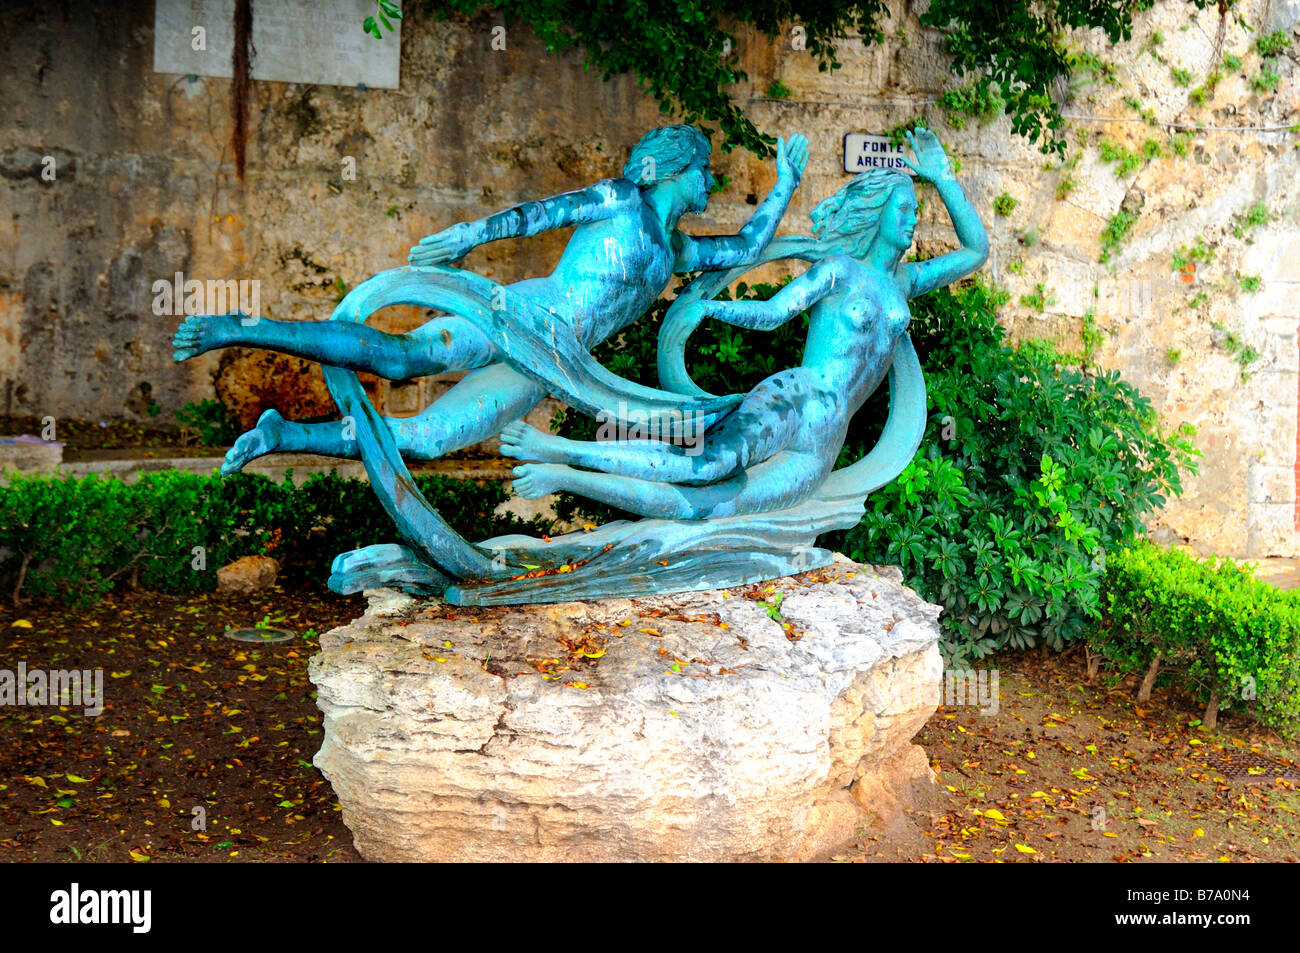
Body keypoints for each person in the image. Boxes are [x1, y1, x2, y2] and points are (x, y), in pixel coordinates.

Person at [171, 126, 809, 474]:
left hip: (559, 361)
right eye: (705, 171)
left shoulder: (677, 252)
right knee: (402, 356)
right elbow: (542, 214)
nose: (711, 182)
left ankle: (285, 436)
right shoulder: (622, 199)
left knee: (424, 440)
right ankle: (240, 326)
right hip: (525, 315)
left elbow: (748, 245)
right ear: (676, 169)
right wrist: (470, 237)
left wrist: (785, 184)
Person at [504, 128, 988, 520]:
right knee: (703, 465)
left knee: (708, 508)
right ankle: (561, 451)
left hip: (826, 439)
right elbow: (774, 313)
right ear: (877, 214)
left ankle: (568, 477)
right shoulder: (839, 269)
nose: (914, 220)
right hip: (796, 399)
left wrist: (943, 178)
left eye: (916, 211)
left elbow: (975, 252)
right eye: (905, 209)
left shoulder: (906, 281)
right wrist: (713, 310)